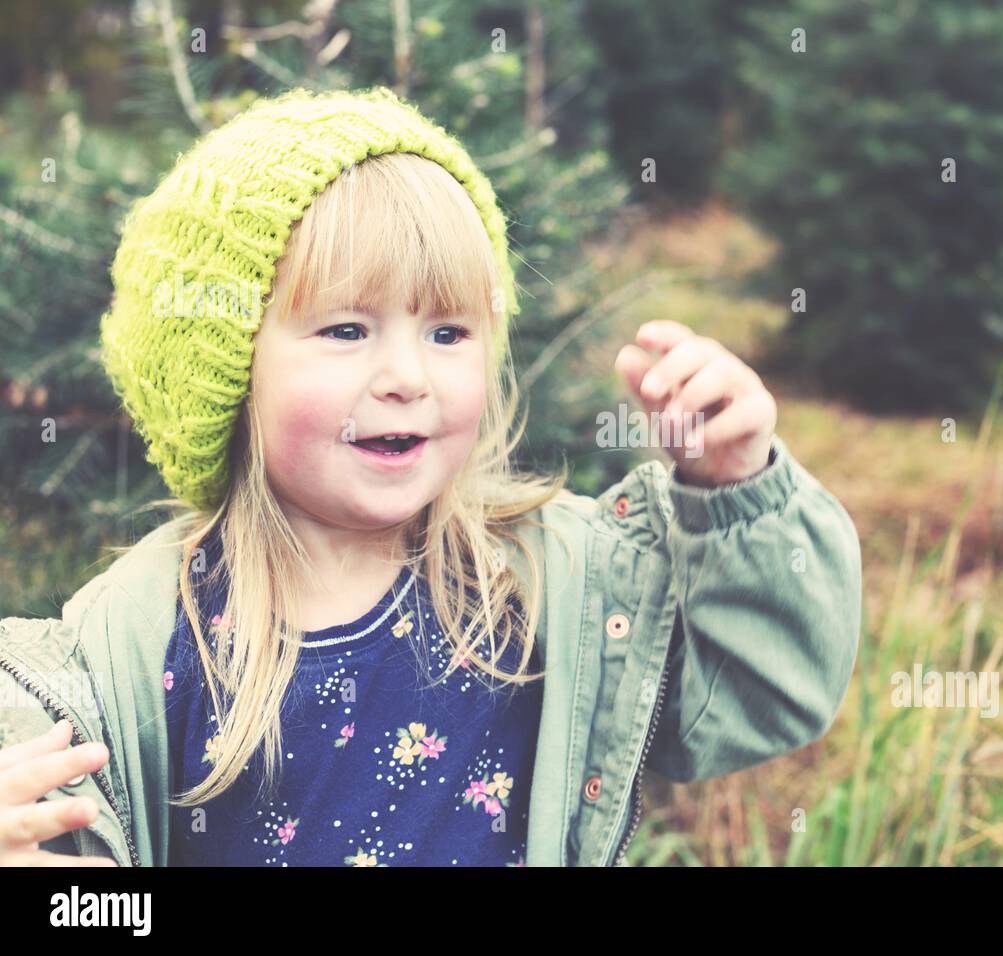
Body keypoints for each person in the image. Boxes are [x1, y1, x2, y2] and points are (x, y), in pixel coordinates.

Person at [0, 87, 862, 867]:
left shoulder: (553, 583)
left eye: (449, 332)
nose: (408, 375)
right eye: (346, 330)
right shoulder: (140, 638)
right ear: (223, 373)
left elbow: (765, 689)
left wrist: (736, 490)